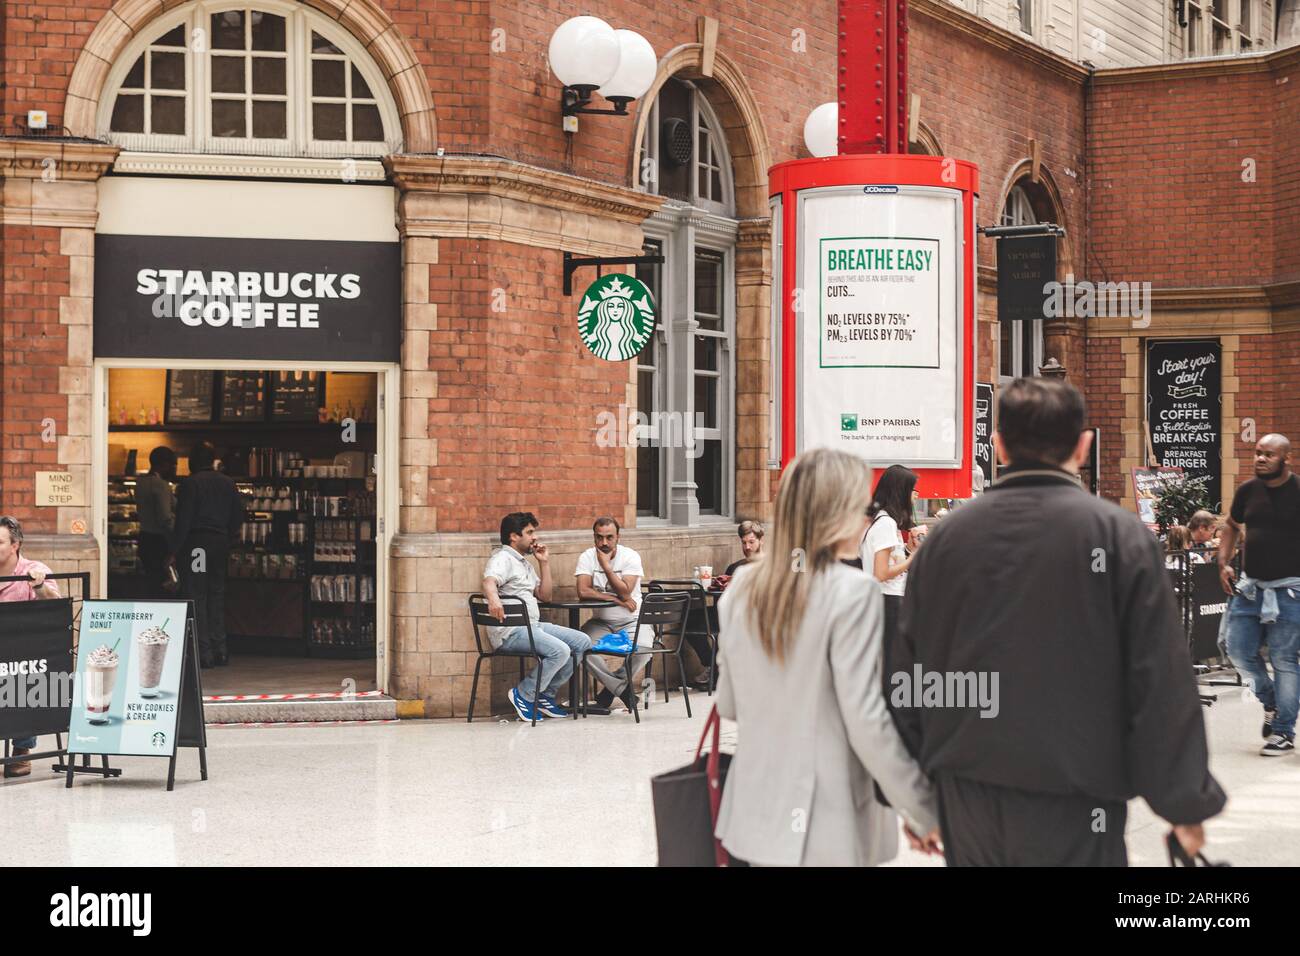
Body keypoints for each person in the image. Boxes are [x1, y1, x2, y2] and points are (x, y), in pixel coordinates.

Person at [894, 378, 1225, 865]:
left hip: (969, 790)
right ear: (1082, 444)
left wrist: (917, 795)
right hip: (1076, 789)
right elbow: (1159, 679)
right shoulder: (1119, 538)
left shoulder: (946, 540)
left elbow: (910, 672)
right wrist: (1183, 802)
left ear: (999, 444)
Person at [714, 448, 941, 866]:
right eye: (861, 507)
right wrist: (922, 810)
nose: (866, 518)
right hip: (830, 818)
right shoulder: (851, 594)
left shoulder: (742, 588)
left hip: (755, 810)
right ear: (836, 512)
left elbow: (728, 703)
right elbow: (867, 722)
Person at [1219, 433, 1300, 756]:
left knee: (1283, 660)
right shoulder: (1247, 491)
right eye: (1257, 453)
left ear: (1286, 459)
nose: (1260, 459)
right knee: (1236, 649)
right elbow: (1231, 525)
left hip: (1290, 591)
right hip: (1250, 588)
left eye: (1268, 454)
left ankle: (1283, 732)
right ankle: (1272, 702)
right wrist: (1223, 562)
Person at [483, 512, 592, 722]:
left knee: (582, 642)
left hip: (533, 626)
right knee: (560, 650)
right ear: (514, 536)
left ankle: (544, 695)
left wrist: (544, 562)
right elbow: (489, 581)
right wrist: (494, 601)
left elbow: (545, 596)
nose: (535, 537)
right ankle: (523, 693)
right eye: (530, 532)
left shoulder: (524, 563)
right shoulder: (502, 558)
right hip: (511, 631)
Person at [172, 442, 243, 668]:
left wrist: (174, 551)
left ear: (193, 461)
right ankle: (220, 649)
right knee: (217, 594)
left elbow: (183, 521)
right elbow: (237, 518)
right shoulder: (228, 483)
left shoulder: (191, 484)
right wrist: (226, 538)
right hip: (220, 543)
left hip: (198, 546)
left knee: (197, 594)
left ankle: (204, 653)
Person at [0, 516, 60, 778]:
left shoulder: (34, 569)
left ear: (15, 545)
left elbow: (56, 601)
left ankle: (22, 750)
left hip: (23, 654)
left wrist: (39, 585)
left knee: (24, 678)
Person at [574, 517, 647, 712]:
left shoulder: (630, 556)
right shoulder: (586, 557)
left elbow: (626, 592)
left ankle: (609, 690)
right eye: (599, 537)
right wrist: (614, 599)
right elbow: (583, 591)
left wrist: (606, 566)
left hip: (632, 620)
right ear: (594, 537)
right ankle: (622, 690)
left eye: (609, 537)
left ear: (618, 537)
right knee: (580, 646)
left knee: (645, 649)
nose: (604, 543)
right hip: (600, 622)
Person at [861, 464, 920, 655]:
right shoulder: (886, 523)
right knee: (892, 659)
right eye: (912, 490)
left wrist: (909, 550)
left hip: (885, 599)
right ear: (900, 491)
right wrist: (914, 560)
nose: (915, 495)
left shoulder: (881, 520)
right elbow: (881, 572)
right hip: (889, 599)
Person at [135, 446, 177, 597]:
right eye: (173, 465)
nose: (174, 469)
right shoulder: (161, 485)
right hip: (160, 541)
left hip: (144, 537)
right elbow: (165, 518)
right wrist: (177, 539)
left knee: (151, 582)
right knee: (163, 584)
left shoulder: (140, 483)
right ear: (164, 464)